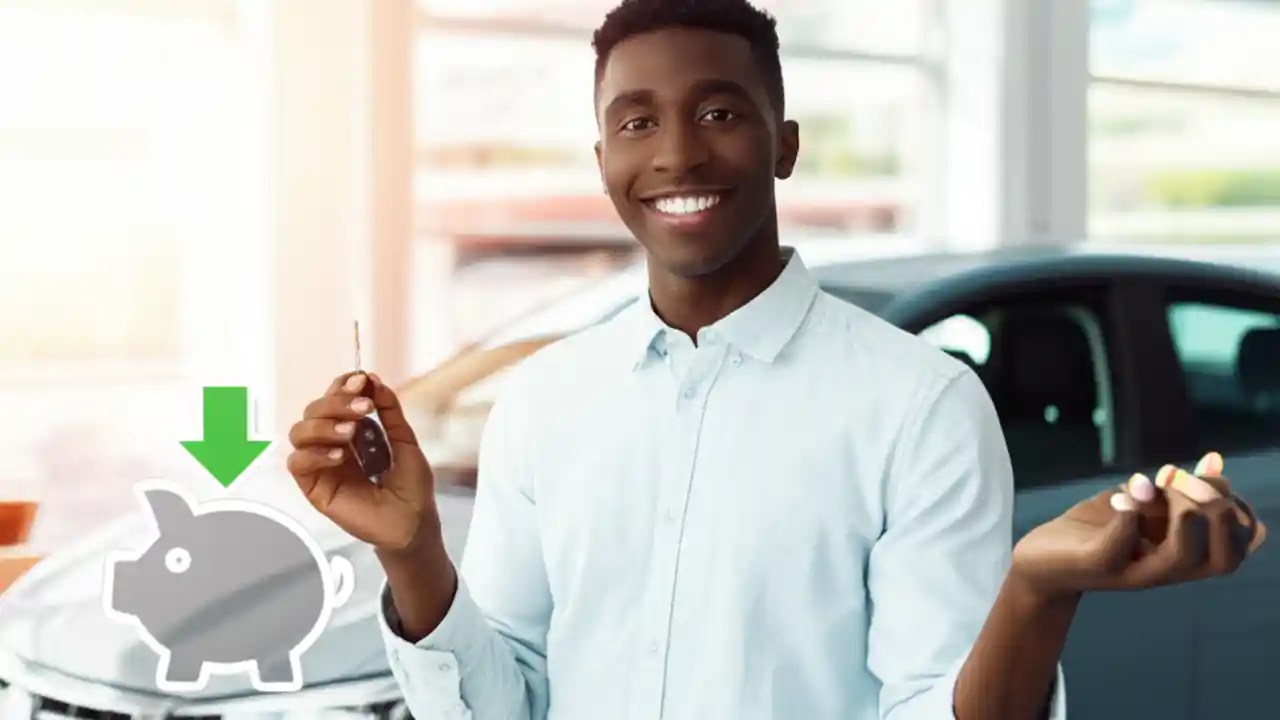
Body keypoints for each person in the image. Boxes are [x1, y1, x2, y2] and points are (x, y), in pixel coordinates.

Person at [285, 1, 1268, 718]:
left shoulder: (917, 406)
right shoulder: (545, 404)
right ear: (601, 163)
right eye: (636, 121)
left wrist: (1032, 592)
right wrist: (412, 554)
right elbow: (505, 705)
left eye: (718, 113)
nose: (675, 153)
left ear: (782, 144)